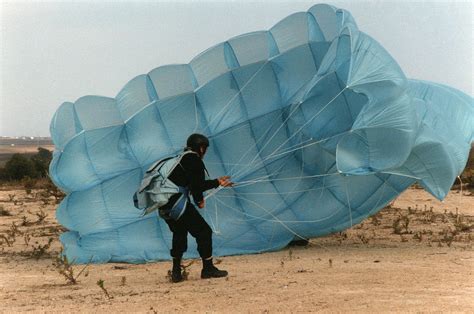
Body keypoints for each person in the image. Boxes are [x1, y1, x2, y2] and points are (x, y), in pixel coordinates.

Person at [160, 133, 233, 283]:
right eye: (204, 149)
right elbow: (196, 186)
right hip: (177, 204)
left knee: (179, 232)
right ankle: (208, 268)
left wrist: (215, 184)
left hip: (164, 205)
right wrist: (202, 197)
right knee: (204, 231)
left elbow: (190, 184)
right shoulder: (194, 160)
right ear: (201, 148)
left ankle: (176, 272)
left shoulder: (180, 159)